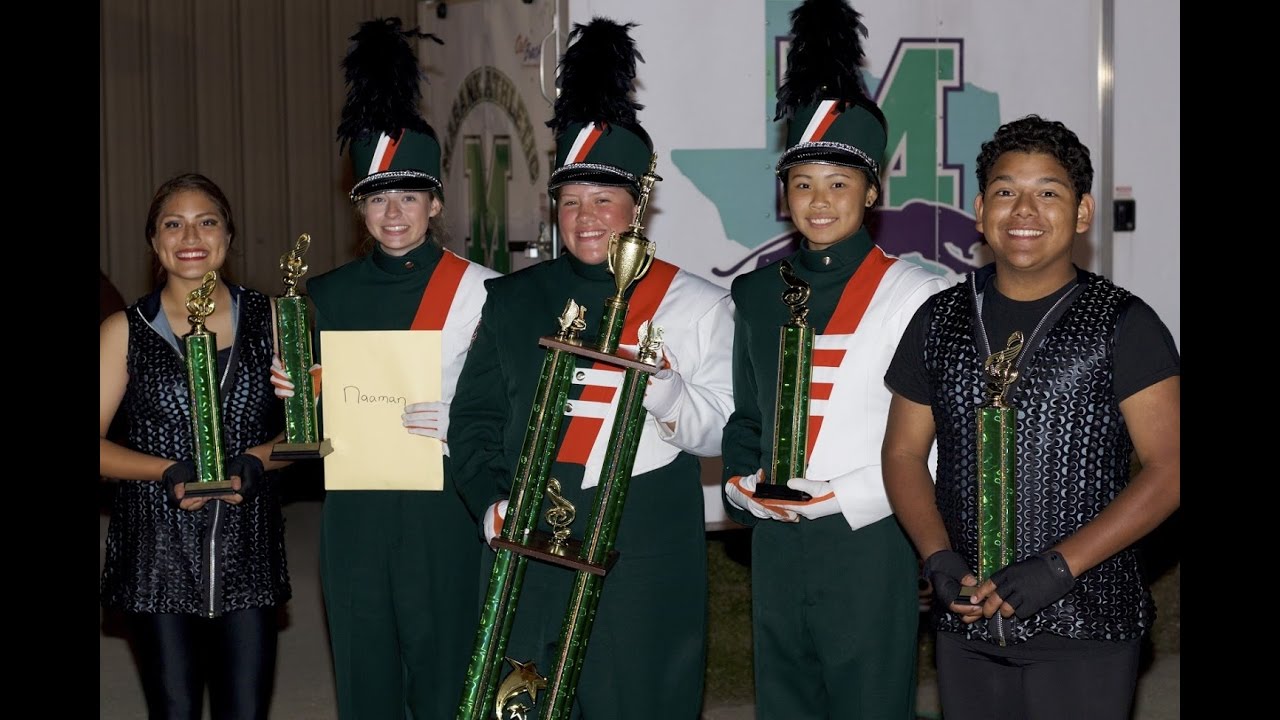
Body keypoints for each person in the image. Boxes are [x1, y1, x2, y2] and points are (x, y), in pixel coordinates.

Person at [449, 18, 735, 719]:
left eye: (604, 201)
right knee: (525, 699)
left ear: (637, 206)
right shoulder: (513, 299)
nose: (585, 218)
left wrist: (665, 390)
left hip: (645, 535)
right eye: (571, 201)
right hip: (528, 531)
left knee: (639, 695)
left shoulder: (694, 302)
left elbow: (720, 427)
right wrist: (490, 505)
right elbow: (475, 419)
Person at [881, 114, 1181, 720]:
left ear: (1082, 212)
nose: (1024, 209)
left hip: (1087, 621)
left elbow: (1169, 469)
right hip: (966, 623)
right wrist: (937, 558)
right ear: (979, 208)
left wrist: (1056, 568)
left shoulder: (1124, 323)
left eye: (1048, 192)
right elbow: (903, 453)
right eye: (1005, 191)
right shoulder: (940, 318)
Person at [718, 2, 951, 718]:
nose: (820, 201)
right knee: (784, 702)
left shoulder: (921, 292)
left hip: (870, 536)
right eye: (803, 183)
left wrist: (846, 496)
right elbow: (746, 414)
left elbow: (942, 441)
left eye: (840, 184)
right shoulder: (756, 291)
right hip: (777, 540)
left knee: (871, 703)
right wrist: (738, 486)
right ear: (783, 193)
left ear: (873, 192)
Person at [269, 17, 499, 720]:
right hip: (358, 507)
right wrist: (297, 396)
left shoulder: (484, 289)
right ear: (358, 207)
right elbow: (326, 407)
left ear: (435, 201)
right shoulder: (326, 294)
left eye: (407, 197)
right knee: (365, 672)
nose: (392, 214)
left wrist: (457, 419)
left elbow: (507, 403)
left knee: (445, 666)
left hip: (443, 500)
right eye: (376, 197)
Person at [99, 172, 291, 720]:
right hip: (156, 553)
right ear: (155, 242)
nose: (191, 235)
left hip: (246, 551)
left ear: (228, 237)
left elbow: (312, 427)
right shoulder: (126, 330)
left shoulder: (275, 319)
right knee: (175, 710)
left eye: (207, 221)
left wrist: (260, 458)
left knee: (245, 711)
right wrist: (165, 470)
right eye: (173, 223)